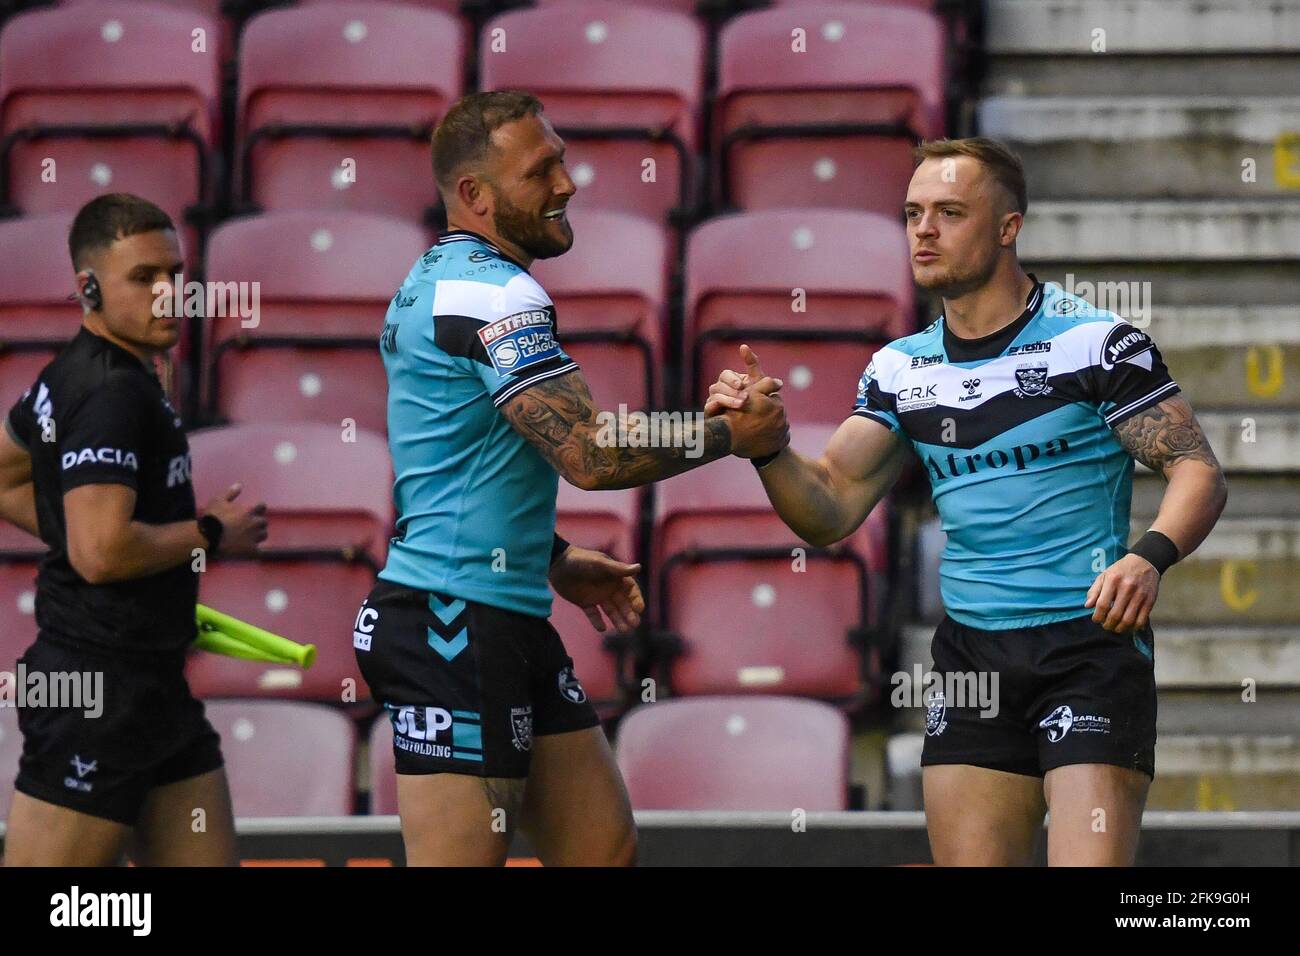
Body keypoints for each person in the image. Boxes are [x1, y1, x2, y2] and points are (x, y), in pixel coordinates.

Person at [706, 137, 1228, 866]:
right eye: (914, 212)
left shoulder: (1094, 343)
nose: (924, 230)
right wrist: (765, 446)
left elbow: (1197, 471)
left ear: (1009, 226)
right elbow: (828, 507)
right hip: (972, 656)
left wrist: (1149, 558)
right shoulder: (899, 367)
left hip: (1088, 647)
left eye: (949, 212)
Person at [355, 91, 787, 866]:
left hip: (499, 608)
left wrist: (548, 558)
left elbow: (456, 456)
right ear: (475, 195)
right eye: (540, 169)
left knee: (601, 848)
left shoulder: (435, 277)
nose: (567, 182)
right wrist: (730, 434)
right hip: (449, 621)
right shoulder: (493, 293)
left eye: (560, 158)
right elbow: (588, 453)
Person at [0, 193, 268, 865]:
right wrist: (210, 531)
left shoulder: (80, 374)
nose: (168, 292)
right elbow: (102, 554)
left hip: (154, 688)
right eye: (143, 277)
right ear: (87, 287)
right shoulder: (110, 394)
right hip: (96, 689)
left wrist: (79, 528)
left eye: (175, 274)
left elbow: (3, 476)